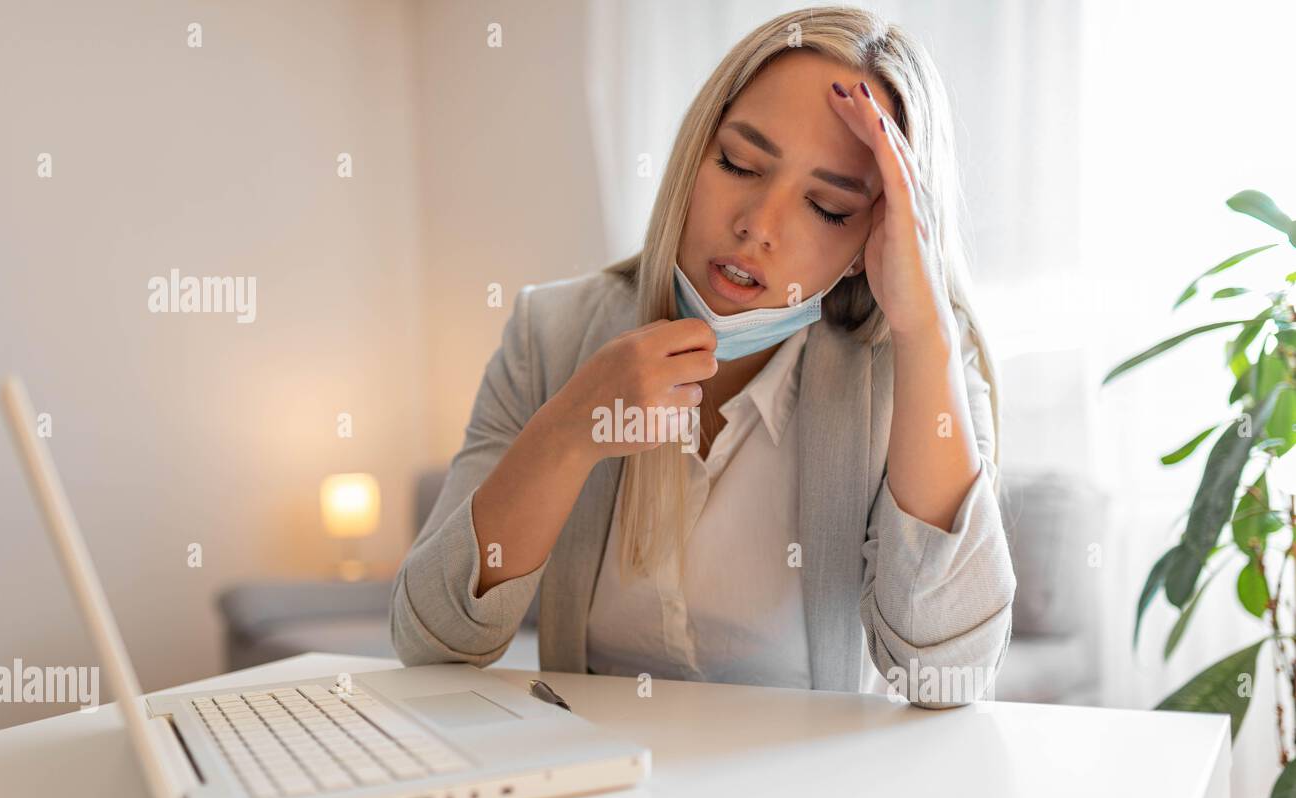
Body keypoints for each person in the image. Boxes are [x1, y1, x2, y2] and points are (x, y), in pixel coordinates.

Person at [391, 6, 1016, 708]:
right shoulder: (552, 333)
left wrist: (926, 330)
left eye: (829, 207)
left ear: (871, 242)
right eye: (739, 164)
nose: (759, 226)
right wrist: (566, 435)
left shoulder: (918, 375)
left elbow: (951, 673)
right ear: (694, 157)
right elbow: (432, 642)